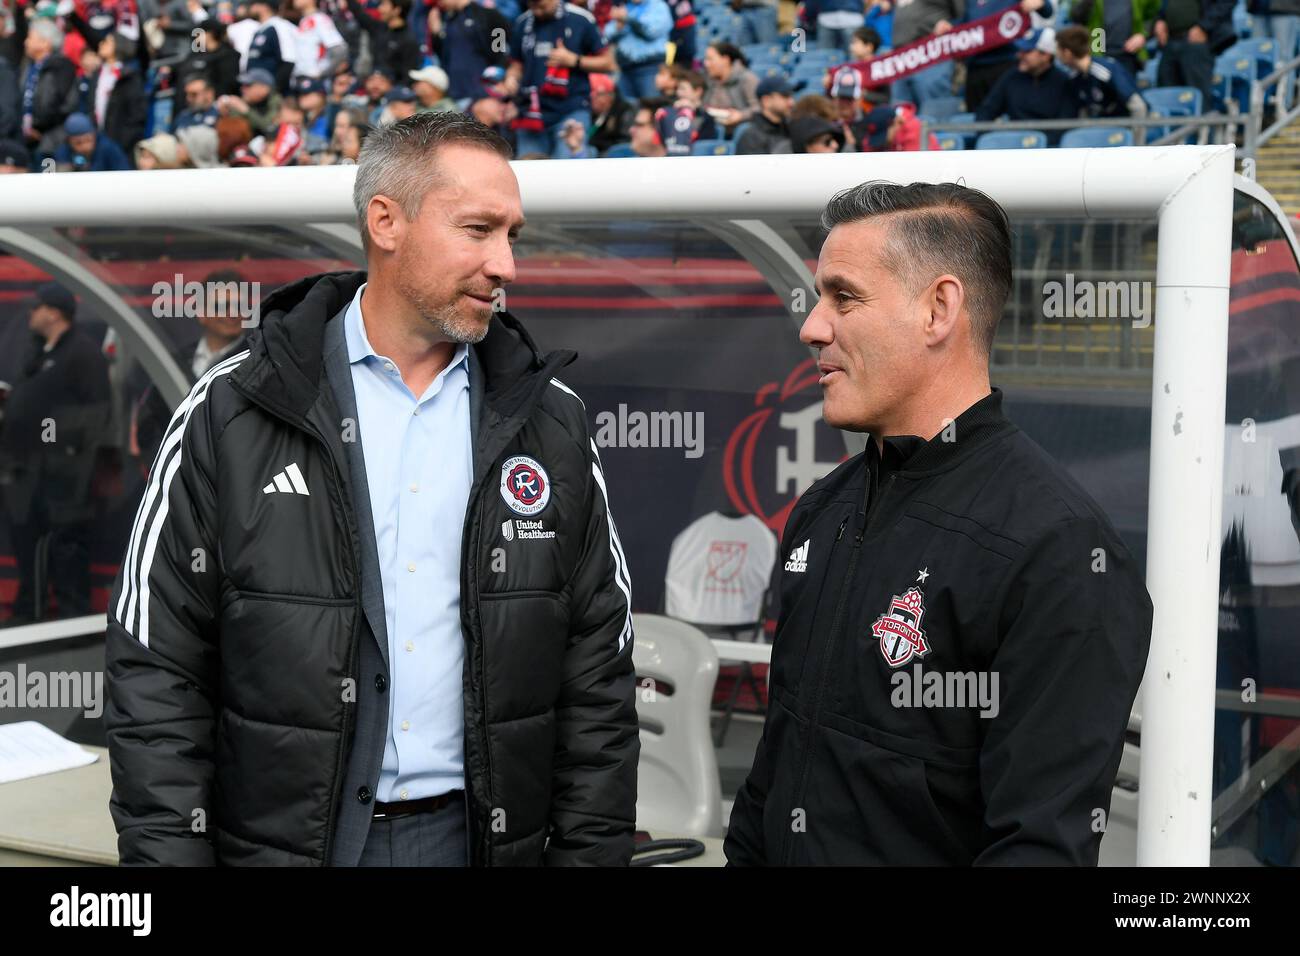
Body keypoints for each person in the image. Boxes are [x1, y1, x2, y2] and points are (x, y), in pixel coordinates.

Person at [104, 111, 639, 867]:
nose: (507, 264)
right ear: (385, 222)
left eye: (513, 234)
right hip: (285, 848)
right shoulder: (231, 410)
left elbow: (598, 679)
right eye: (479, 230)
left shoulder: (552, 424)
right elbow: (157, 668)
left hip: (474, 842)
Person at [724, 180, 1152, 865]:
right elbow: (773, 776)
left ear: (938, 309)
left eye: (844, 296)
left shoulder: (1058, 550)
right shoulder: (822, 512)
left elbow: (1037, 849)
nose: (812, 326)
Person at [0, 282, 111, 624]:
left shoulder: (82, 352)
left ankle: (72, 626)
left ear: (53, 312)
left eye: (36, 308)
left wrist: (58, 448)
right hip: (28, 473)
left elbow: (96, 412)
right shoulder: (41, 353)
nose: (30, 314)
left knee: (65, 554)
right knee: (31, 550)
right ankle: (29, 615)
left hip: (63, 478)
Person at [128, 270, 252, 472]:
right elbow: (149, 421)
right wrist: (166, 467)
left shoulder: (255, 360)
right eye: (223, 305)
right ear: (201, 313)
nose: (233, 313)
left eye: (240, 305)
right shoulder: (176, 361)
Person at [503, 0, 615, 156]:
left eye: (542, 5)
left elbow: (609, 63)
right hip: (531, 112)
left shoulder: (580, 19)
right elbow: (516, 65)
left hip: (570, 109)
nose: (537, 11)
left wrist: (574, 60)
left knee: (567, 173)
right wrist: (511, 78)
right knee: (530, 174)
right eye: (532, 5)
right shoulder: (523, 22)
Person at [975, 26, 1076, 142]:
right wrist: (990, 139)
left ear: (1046, 55)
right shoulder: (1011, 77)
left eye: (1027, 51)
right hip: (1014, 146)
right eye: (1020, 50)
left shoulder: (1064, 81)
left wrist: (1037, 143)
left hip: (1049, 151)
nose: (1019, 55)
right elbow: (986, 111)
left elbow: (1065, 125)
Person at [957, 0, 1055, 112]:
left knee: (1011, 121)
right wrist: (950, 27)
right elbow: (965, 22)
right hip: (976, 68)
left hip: (1007, 63)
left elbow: (1047, 11)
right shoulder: (970, 2)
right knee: (977, 119)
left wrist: (1040, 3)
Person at [427, 0, 513, 109]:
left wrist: (498, 80)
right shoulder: (448, 20)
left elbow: (503, 52)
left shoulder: (488, 15)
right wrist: (436, 35)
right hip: (454, 95)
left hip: (482, 97)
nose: (438, 3)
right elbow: (444, 57)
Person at [1055, 24, 1148, 122]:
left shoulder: (1105, 71)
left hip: (1124, 127)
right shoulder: (1075, 77)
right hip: (1101, 127)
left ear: (1067, 53)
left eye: (1058, 50)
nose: (1056, 55)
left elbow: (1138, 107)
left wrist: (1135, 137)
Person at [19, 18, 80, 160]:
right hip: (26, 140)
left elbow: (63, 105)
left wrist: (38, 127)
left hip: (52, 142)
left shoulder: (62, 67)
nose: (25, 42)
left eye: (30, 37)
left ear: (45, 43)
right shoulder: (28, 66)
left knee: (48, 178)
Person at [1152, 0, 1236, 104]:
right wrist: (1160, 18)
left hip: (1198, 41)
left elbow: (1227, 2)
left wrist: (1204, 26)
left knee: (1199, 97)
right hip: (1170, 41)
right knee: (1166, 96)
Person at [885, 0, 961, 107]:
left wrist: (952, 24)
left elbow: (966, 14)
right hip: (900, 58)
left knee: (933, 110)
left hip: (932, 53)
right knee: (901, 115)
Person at [1067, 0, 1160, 79]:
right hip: (1099, 54)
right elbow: (1076, 16)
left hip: (1128, 55)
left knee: (1125, 95)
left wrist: (1142, 35)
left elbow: (1154, 14)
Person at [603, 0, 672, 101]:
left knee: (650, 106)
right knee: (627, 110)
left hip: (650, 68)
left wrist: (627, 19)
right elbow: (608, 34)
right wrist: (619, 26)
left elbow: (651, 31)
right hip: (625, 69)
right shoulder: (625, 7)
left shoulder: (658, 6)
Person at [346, 0, 423, 79]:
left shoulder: (409, 40)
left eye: (384, 5)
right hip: (372, 81)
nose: (379, 9)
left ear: (396, 10)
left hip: (393, 88)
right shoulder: (380, 28)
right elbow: (359, 14)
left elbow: (408, 75)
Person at [700, 40, 757, 131]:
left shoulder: (746, 78)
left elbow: (759, 108)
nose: (706, 64)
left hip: (740, 131)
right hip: (712, 129)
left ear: (725, 60)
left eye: (710, 59)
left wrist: (741, 115)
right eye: (705, 59)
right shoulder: (708, 79)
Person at [244, 0, 298, 93]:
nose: (250, 7)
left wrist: (274, 90)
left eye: (254, 3)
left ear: (265, 6)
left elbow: (289, 61)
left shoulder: (280, 26)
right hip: (257, 91)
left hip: (274, 93)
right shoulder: (261, 29)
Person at [735, 73, 793, 154]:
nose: (791, 102)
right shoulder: (751, 138)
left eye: (791, 96)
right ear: (766, 101)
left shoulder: (791, 129)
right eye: (785, 96)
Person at [290, 0, 348, 79]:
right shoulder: (303, 20)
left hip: (313, 79)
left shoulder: (319, 18)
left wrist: (323, 73)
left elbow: (338, 49)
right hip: (300, 77)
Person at [53, 110, 131, 169]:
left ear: (94, 135)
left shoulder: (108, 148)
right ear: (69, 141)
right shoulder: (63, 152)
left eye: (88, 140)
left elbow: (124, 174)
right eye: (78, 143)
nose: (85, 147)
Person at [588, 69, 636, 153]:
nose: (589, 101)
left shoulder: (625, 111)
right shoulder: (591, 114)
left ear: (609, 95)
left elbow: (624, 141)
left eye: (596, 96)